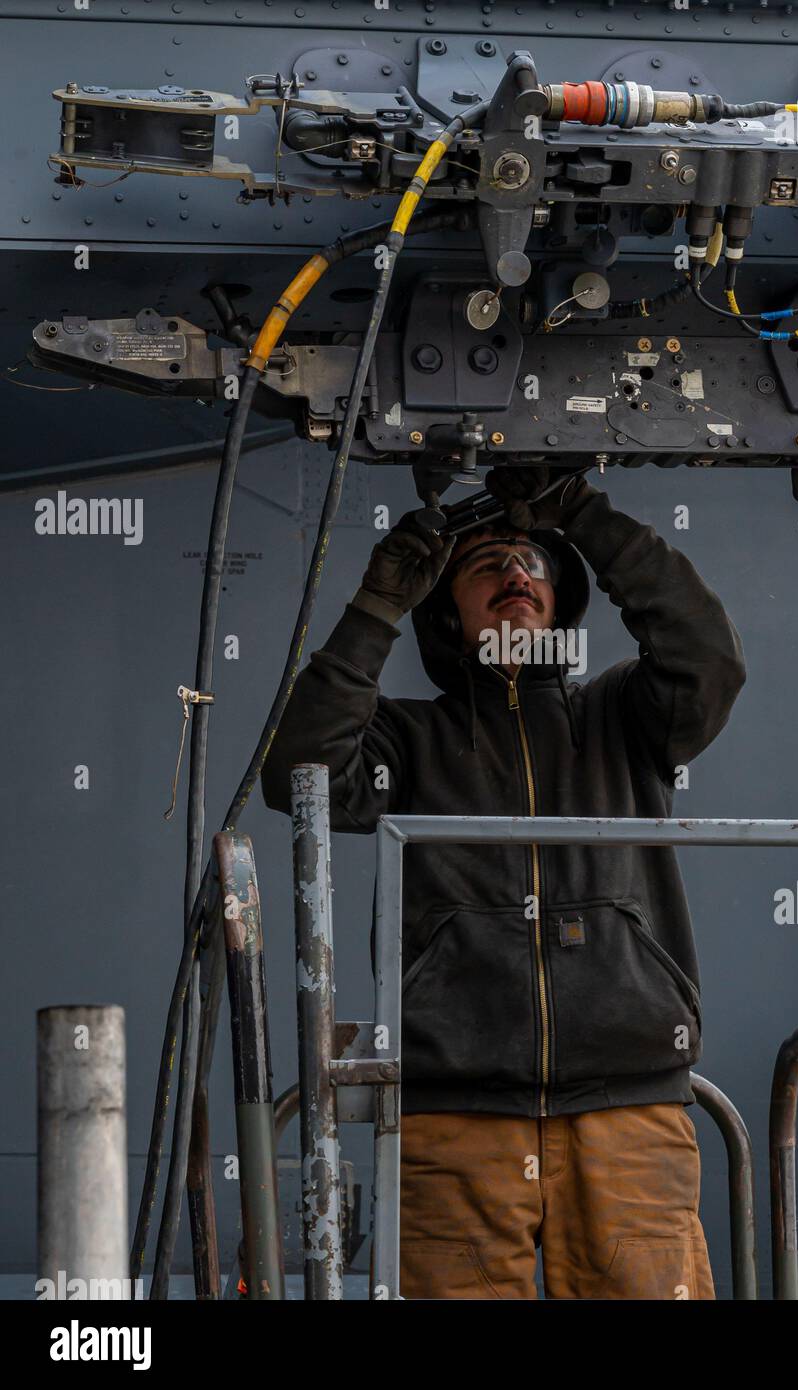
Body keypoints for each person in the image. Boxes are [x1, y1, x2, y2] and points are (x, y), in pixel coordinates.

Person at [261, 466, 746, 1299]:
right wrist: (376, 607)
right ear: (448, 613)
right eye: (486, 568)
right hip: (454, 1115)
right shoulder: (407, 740)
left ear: (560, 607)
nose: (516, 576)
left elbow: (708, 658)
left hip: (627, 1107)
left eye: (532, 564)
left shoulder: (626, 715)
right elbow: (299, 772)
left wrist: (582, 513)